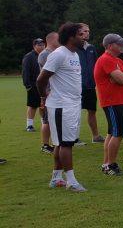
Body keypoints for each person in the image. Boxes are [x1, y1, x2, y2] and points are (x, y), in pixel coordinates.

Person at [36, 22, 87, 192]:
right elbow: (40, 79)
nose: (85, 36)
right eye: (81, 34)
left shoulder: (74, 54)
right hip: (61, 106)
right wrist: (44, 95)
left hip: (72, 105)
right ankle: (71, 182)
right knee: (66, 144)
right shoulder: (59, 55)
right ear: (71, 37)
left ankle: (56, 178)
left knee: (61, 143)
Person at [94, 34, 123, 176]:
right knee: (117, 133)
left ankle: (107, 163)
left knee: (113, 133)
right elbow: (121, 79)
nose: (121, 46)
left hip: (120, 101)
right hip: (112, 102)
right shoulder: (106, 59)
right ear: (109, 46)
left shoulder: (118, 60)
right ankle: (110, 165)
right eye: (118, 44)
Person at [77, 23, 103, 144]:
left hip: (90, 86)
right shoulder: (72, 48)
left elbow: (97, 66)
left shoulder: (91, 48)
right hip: (76, 87)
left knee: (92, 110)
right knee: (75, 112)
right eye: (84, 31)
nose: (87, 33)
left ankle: (96, 136)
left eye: (88, 31)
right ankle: (74, 138)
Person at [37, 32, 59, 153]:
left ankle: (55, 142)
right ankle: (45, 145)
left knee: (52, 120)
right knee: (47, 119)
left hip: (54, 92)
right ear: (51, 40)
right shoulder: (45, 54)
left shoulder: (53, 54)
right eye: (58, 39)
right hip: (48, 92)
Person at [23, 38, 46, 132]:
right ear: (34, 46)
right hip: (33, 85)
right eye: (39, 45)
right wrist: (28, 86)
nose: (41, 47)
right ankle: (29, 125)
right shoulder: (29, 57)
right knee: (33, 106)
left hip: (44, 85)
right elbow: (25, 72)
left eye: (43, 45)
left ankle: (44, 124)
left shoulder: (45, 55)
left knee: (43, 106)